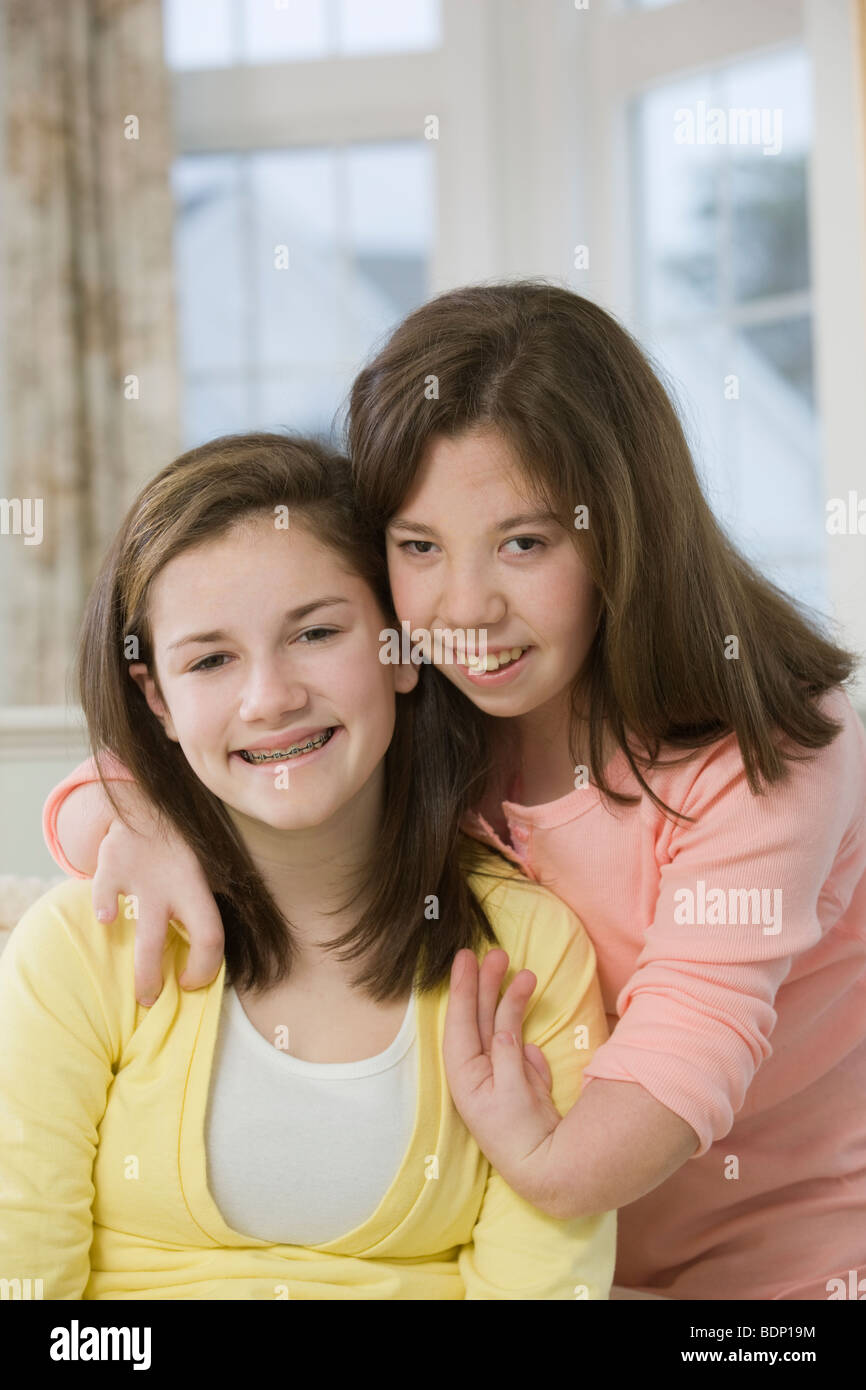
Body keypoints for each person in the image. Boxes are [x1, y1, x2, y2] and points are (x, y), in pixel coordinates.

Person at [42, 283, 866, 1301]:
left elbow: (649, 1097)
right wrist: (137, 817)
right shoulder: (436, 690)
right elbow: (214, 746)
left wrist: (531, 1152)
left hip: (766, 1284)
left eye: (523, 543)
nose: (466, 607)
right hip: (557, 1271)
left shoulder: (769, 753)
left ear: (624, 530)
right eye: (418, 546)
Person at [0, 431, 616, 1300]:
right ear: (159, 703)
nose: (271, 699)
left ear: (401, 651)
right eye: (211, 659)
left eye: (316, 632)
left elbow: (549, 1284)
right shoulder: (78, 947)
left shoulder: (532, 948)